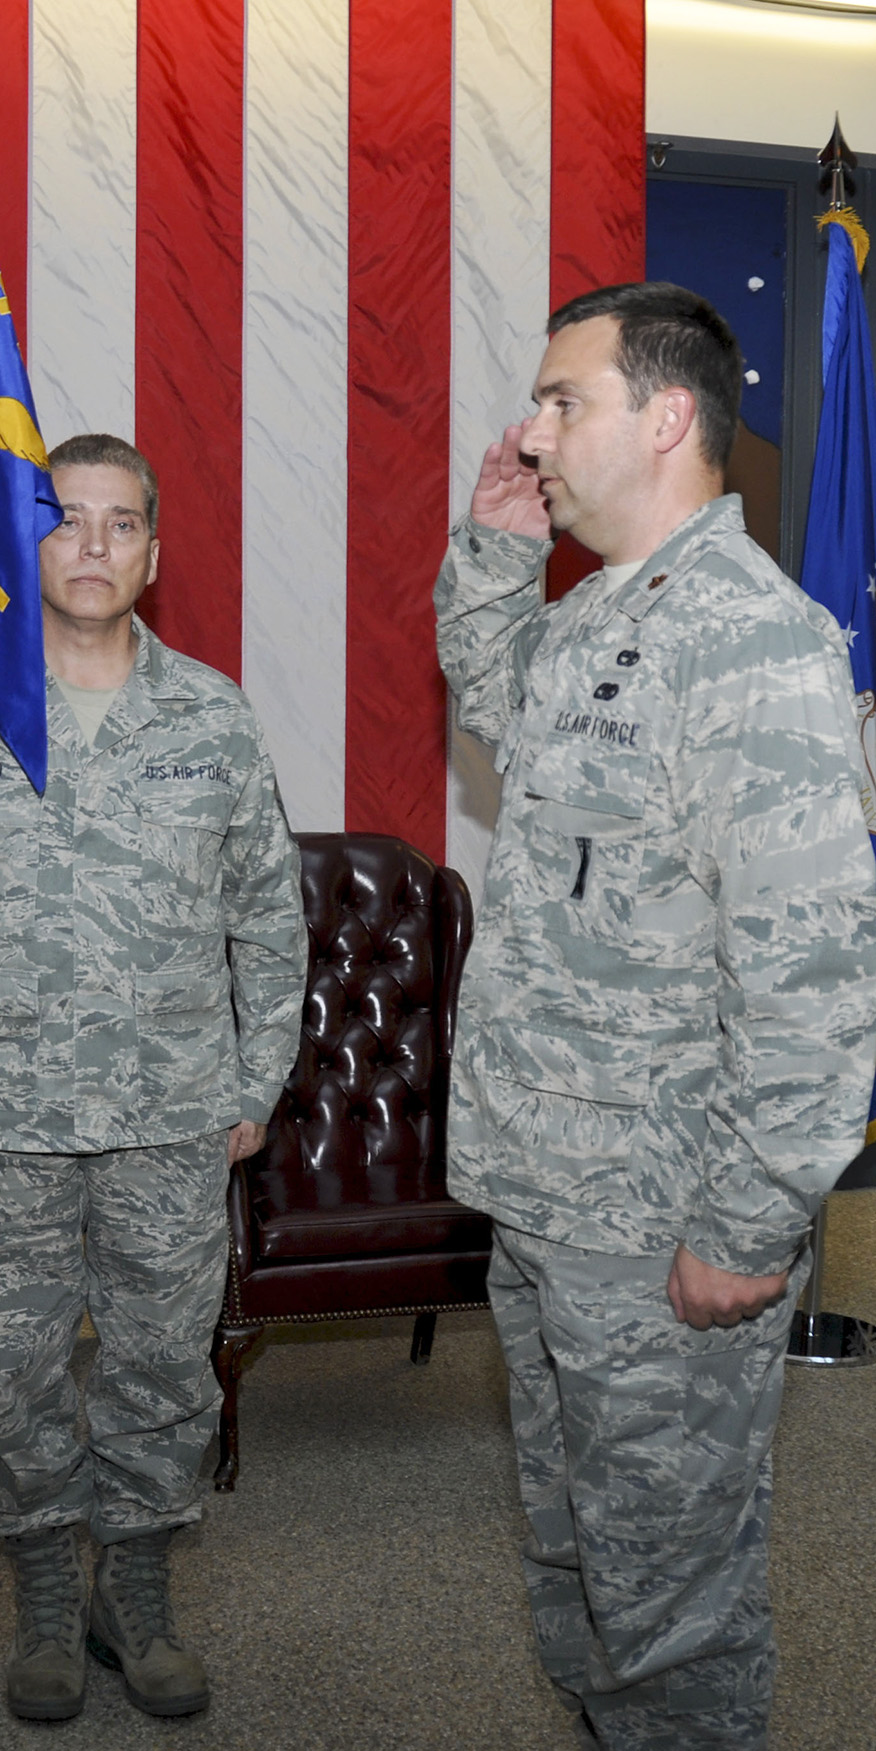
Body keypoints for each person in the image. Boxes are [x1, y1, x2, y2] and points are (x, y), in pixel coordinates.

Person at [434, 281, 876, 1750]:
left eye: (565, 401)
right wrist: (501, 545)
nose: (533, 427)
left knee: (672, 1596)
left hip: (663, 1222)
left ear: (668, 415)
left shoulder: (759, 644)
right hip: (550, 1189)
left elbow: (813, 977)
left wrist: (748, 1226)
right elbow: (498, 700)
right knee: (577, 1554)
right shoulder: (607, 616)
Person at [0, 433, 306, 1722]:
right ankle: (50, 1600)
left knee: (163, 1367)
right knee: (14, 1370)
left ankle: (139, 1594)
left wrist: (256, 1083)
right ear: (26, 545)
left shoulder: (210, 714)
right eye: (68, 520)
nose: (94, 543)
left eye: (121, 524)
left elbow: (269, 919)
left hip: (172, 1117)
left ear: (153, 555)